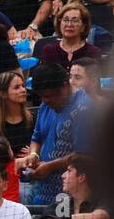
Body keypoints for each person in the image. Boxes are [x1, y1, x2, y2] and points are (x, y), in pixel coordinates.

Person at [25, 63, 94, 206]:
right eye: (42, 96)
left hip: (69, 193)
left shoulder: (84, 108)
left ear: (64, 85)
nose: (46, 100)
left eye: (50, 96)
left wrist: (49, 166)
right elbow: (36, 138)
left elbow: (83, 155)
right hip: (43, 188)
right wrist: (33, 155)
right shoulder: (45, 105)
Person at [38, 1, 100, 69]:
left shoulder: (92, 52)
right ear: (59, 24)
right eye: (65, 20)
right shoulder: (49, 51)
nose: (69, 25)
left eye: (75, 20)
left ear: (83, 26)